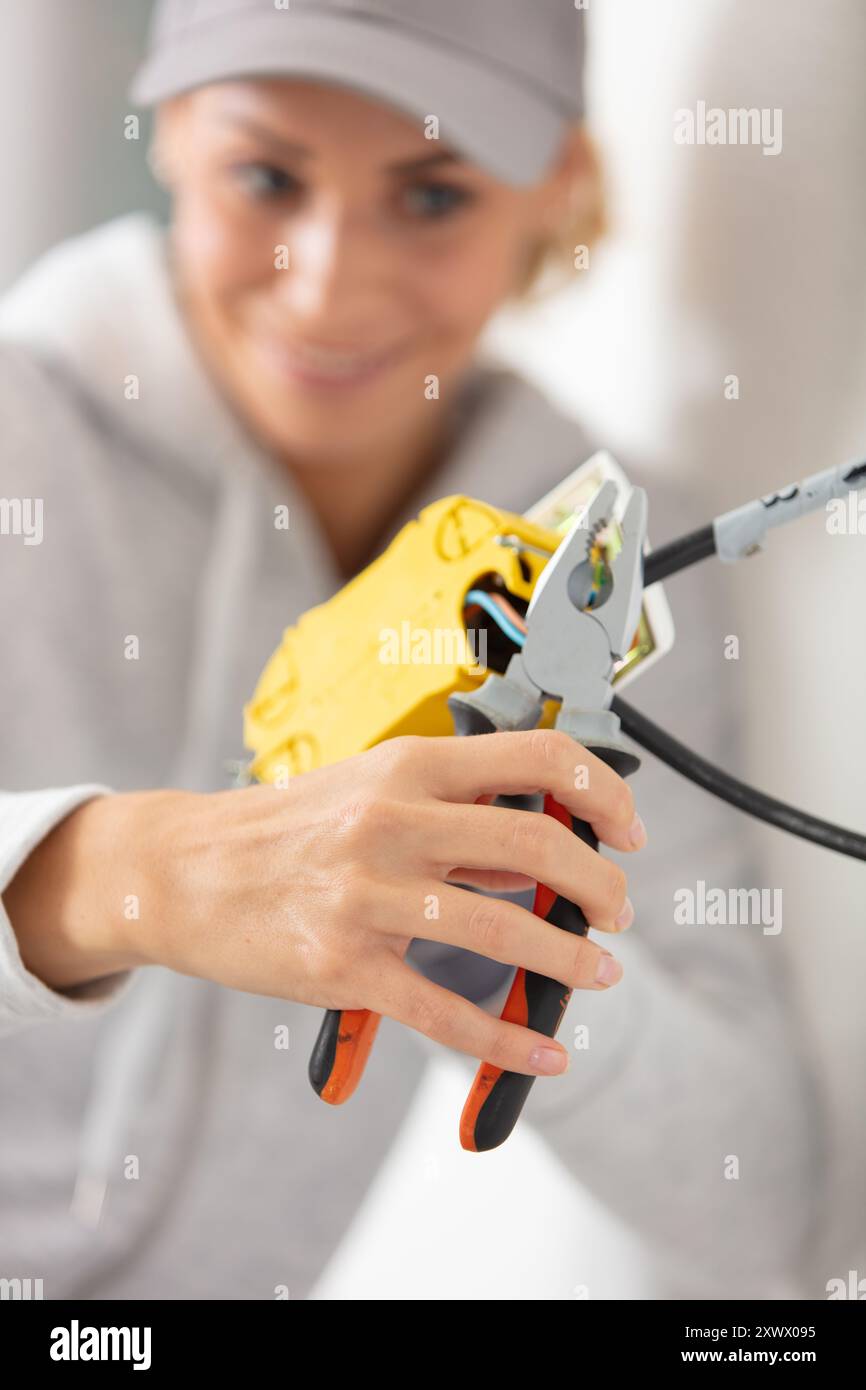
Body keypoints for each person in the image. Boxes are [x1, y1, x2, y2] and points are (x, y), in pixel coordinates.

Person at [0, 0, 818, 1299]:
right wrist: (123, 874)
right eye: (266, 176)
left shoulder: (611, 574)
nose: (328, 284)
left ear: (557, 185)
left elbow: (753, 1206)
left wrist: (522, 967)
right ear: (165, 136)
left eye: (431, 196)